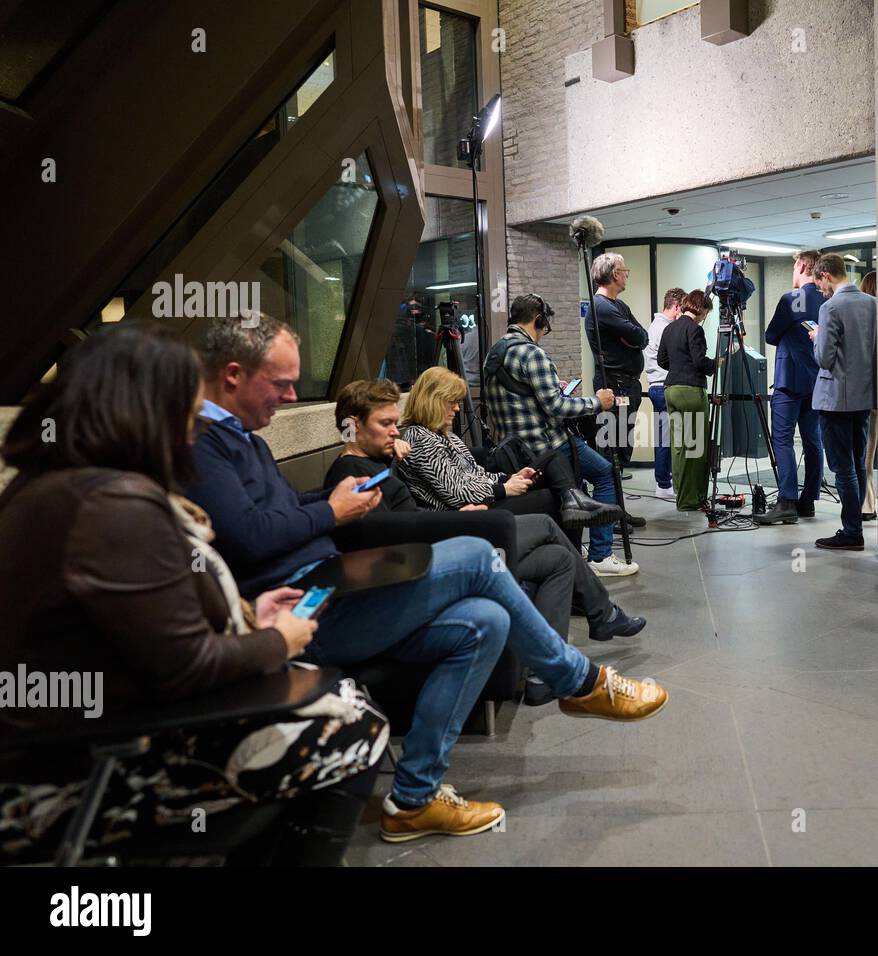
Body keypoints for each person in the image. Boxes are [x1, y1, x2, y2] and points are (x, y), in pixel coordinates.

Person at [185, 314, 667, 841]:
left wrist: (328, 502)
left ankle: (413, 799)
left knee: (485, 620)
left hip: (328, 584)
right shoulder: (205, 446)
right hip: (300, 614)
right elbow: (250, 537)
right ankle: (578, 681)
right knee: (480, 557)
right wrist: (332, 511)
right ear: (233, 375)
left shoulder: (246, 440)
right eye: (280, 384)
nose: (293, 394)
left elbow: (278, 513)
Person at [0, 323, 385, 866]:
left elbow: (138, 627)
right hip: (76, 771)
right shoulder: (113, 505)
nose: (197, 419)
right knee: (349, 721)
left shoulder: (54, 485)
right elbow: (185, 666)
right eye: (188, 402)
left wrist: (248, 613)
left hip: (73, 737)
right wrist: (278, 640)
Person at [324, 373, 646, 648]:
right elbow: (395, 532)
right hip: (447, 539)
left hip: (452, 528)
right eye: (386, 424)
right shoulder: (353, 474)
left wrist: (390, 452)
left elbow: (417, 501)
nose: (395, 431)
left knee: (559, 558)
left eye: (395, 423)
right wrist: (470, 508)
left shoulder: (377, 462)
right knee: (548, 520)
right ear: (352, 427)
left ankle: (553, 663)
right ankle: (600, 614)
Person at [484, 294, 641, 576]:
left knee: (578, 481)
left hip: (512, 450)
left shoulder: (496, 352)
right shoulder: (533, 354)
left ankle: (574, 547)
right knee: (606, 473)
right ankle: (601, 555)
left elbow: (522, 396)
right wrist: (597, 402)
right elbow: (557, 407)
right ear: (538, 320)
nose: (544, 332)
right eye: (545, 325)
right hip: (546, 447)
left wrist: (554, 385)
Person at [808, 253, 876, 551]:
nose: (819, 289)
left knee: (843, 467)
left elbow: (824, 358)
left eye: (818, 282)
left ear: (825, 275)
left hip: (835, 399)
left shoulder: (830, 307)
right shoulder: (872, 304)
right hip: (863, 397)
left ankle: (851, 531)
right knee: (859, 463)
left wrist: (817, 336)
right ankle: (855, 524)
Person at [756, 249, 825, 525]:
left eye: (794, 267)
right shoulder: (826, 300)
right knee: (813, 441)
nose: (792, 273)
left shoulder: (791, 299)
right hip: (817, 380)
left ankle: (787, 501)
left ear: (803, 267)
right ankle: (808, 501)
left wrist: (789, 330)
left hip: (789, 381)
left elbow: (771, 335)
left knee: (783, 440)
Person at [657, 289, 725, 512]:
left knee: (679, 447)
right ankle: (690, 499)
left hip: (670, 389)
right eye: (706, 312)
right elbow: (699, 361)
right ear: (701, 308)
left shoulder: (669, 328)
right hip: (690, 392)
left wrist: (678, 368)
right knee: (695, 448)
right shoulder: (694, 329)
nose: (706, 316)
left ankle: (680, 492)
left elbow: (662, 360)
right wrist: (716, 363)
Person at [586, 252, 649, 477]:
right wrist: (633, 339)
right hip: (616, 384)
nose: (626, 276)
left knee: (622, 442)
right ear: (615, 274)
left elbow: (642, 337)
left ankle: (615, 499)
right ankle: (610, 503)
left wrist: (634, 339)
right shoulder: (602, 307)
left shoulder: (618, 306)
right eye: (625, 271)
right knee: (614, 443)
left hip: (625, 383)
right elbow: (637, 336)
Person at [644, 287, 685, 500]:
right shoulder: (663, 329)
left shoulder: (657, 326)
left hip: (657, 386)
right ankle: (663, 483)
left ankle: (665, 480)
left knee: (666, 437)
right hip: (662, 386)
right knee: (666, 439)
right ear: (677, 307)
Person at [858, 270, 878, 522]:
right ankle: (869, 503)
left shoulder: (866, 319)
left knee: (864, 454)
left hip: (867, 396)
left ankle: (866, 505)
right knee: (869, 454)